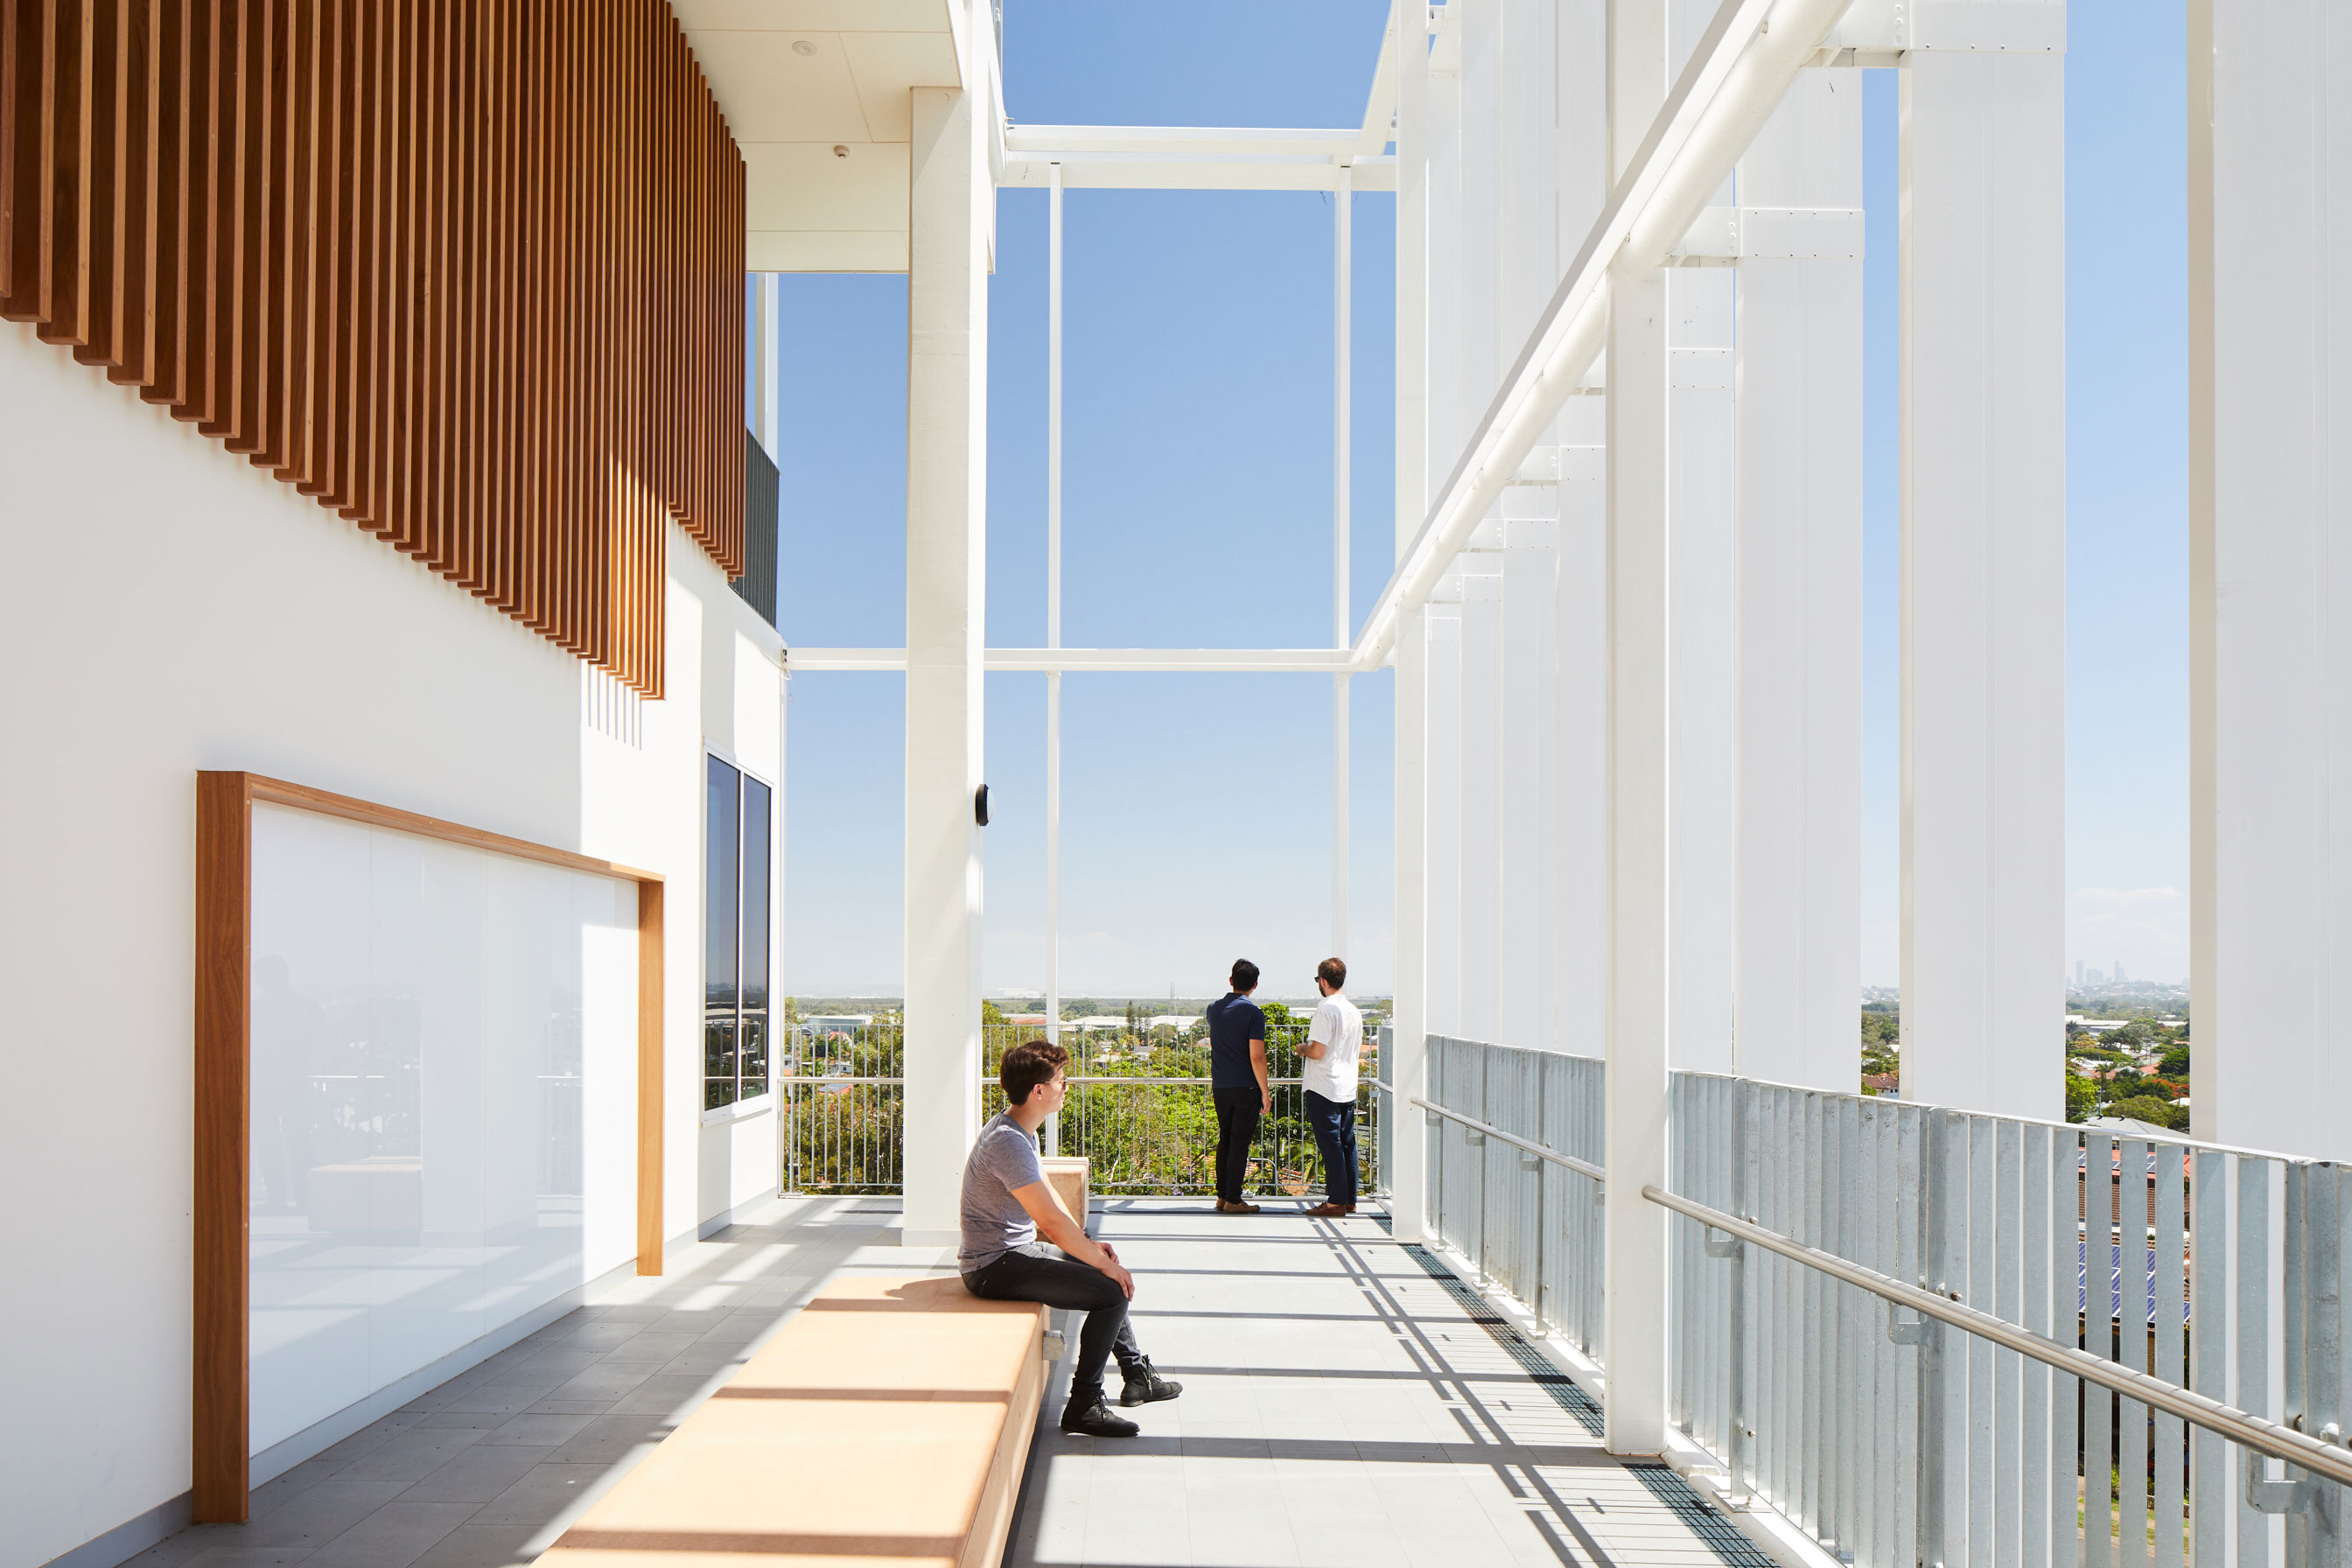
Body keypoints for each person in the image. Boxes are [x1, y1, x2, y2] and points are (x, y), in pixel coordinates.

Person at [960, 1039, 1182, 1438]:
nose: (1067, 1087)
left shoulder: (1019, 1129)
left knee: (1104, 1272)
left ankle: (1136, 1376)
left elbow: (1053, 1206)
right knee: (1111, 1292)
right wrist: (1101, 1262)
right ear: (1038, 1090)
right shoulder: (1007, 1141)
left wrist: (1090, 1248)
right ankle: (1083, 1405)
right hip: (993, 1266)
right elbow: (1049, 1221)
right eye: (1062, 1080)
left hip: (1013, 1254)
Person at [1299, 956, 1364, 1218]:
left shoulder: (1326, 1009)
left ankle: (1335, 1202)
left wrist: (1301, 1048)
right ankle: (1349, 1199)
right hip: (1347, 1085)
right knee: (1347, 1143)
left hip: (1324, 1086)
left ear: (1323, 981)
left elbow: (1317, 1051)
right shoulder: (1353, 1010)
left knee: (1330, 1145)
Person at [1204, 959, 1270, 1214]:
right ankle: (1234, 1199)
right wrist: (1265, 1091)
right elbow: (1257, 1056)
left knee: (1225, 1140)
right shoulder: (1254, 1013)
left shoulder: (1213, 1009)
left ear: (1231, 980)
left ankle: (1222, 1196)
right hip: (1246, 1088)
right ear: (1254, 985)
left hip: (1221, 1086)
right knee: (1240, 1142)